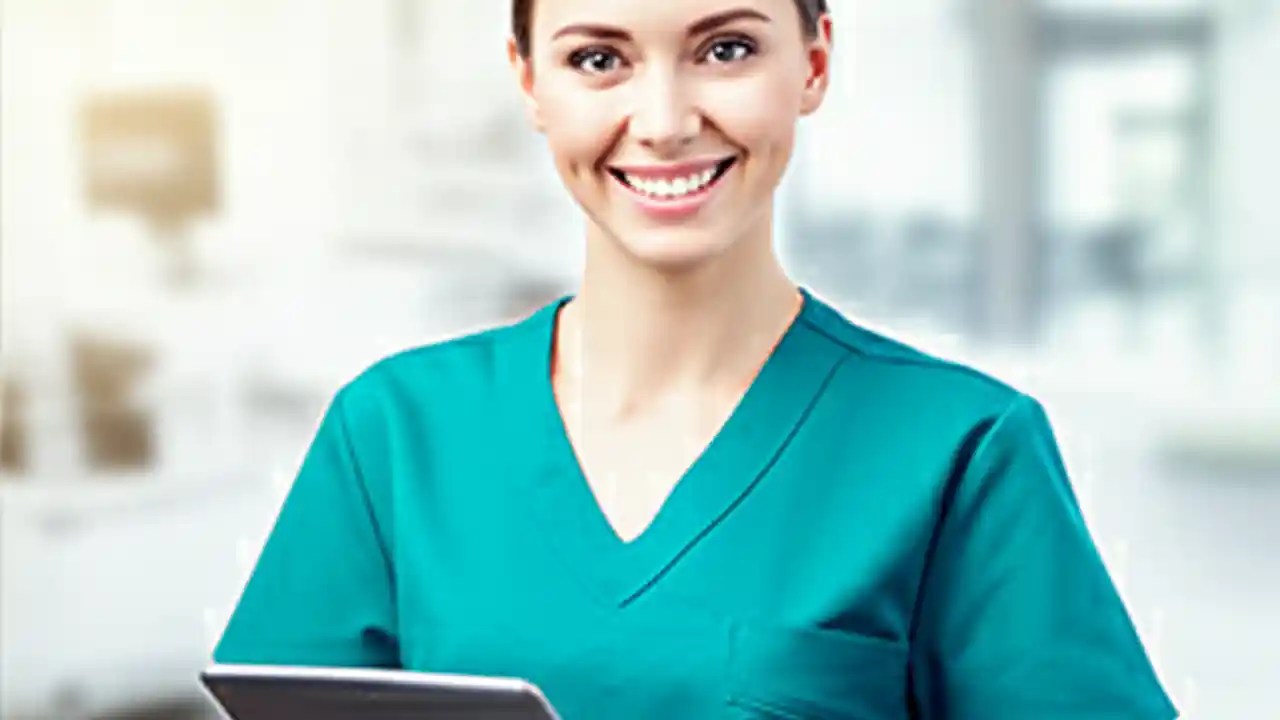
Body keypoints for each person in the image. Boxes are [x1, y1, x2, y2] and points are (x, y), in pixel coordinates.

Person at [212, 1, 1179, 717]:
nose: (665, 119)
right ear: (528, 81)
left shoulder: (961, 449)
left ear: (813, 60)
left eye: (725, 49)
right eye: (598, 58)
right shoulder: (394, 434)